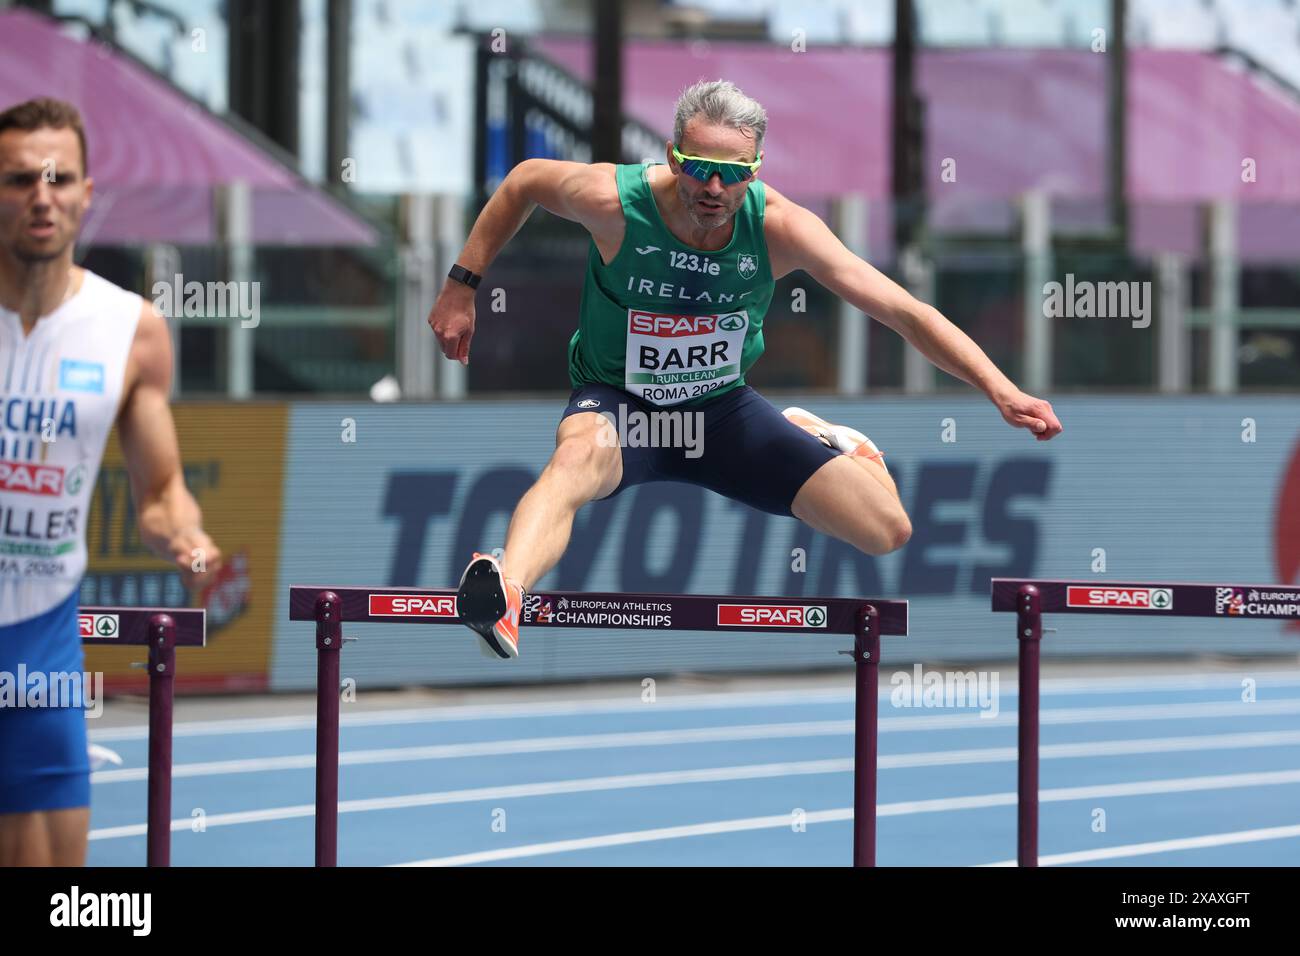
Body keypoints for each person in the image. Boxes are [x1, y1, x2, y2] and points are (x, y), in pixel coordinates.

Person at [428, 80, 1061, 660]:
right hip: (623, 407)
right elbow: (524, 181)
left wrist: (1001, 390)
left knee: (887, 529)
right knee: (573, 462)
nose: (712, 189)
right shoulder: (614, 202)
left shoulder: (782, 228)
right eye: (699, 169)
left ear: (755, 172)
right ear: (674, 158)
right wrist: (462, 285)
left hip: (722, 414)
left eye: (732, 176)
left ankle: (839, 445)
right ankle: (505, 594)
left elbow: (904, 310)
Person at [0, 97, 222, 865]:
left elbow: (159, 497)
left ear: (87, 192)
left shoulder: (132, 330)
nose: (41, 195)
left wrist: (192, 545)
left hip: (41, 644)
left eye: (59, 178)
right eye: (19, 178)